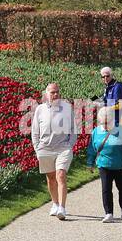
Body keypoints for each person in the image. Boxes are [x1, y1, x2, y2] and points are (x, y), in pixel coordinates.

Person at [31, 82, 76, 220]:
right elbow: (35, 131)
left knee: (61, 175)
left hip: (63, 148)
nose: (55, 94)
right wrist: (37, 148)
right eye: (52, 92)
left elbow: (74, 130)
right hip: (45, 148)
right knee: (51, 178)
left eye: (57, 91)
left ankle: (62, 208)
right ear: (46, 94)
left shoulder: (67, 108)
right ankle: (55, 204)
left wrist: (69, 145)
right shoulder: (40, 109)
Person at [86, 105, 122, 222]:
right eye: (103, 123)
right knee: (106, 189)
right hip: (104, 165)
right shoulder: (96, 132)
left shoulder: (121, 131)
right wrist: (90, 162)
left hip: (120, 166)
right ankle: (109, 213)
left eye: (108, 122)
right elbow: (92, 149)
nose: (105, 125)